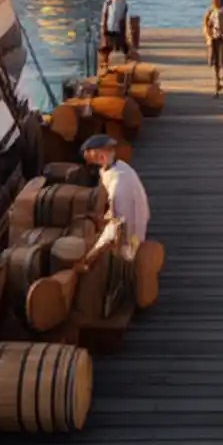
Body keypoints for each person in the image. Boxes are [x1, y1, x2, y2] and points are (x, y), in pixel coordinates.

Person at [79, 134, 150, 314]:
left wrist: (92, 255)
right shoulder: (119, 167)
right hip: (125, 221)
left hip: (130, 237)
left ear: (102, 156)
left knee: (106, 264)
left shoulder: (120, 183)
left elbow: (119, 228)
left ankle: (116, 293)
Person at [203, 0, 223, 96]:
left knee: (222, 59)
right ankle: (217, 82)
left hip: (222, 39)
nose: (214, 3)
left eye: (217, 1)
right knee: (214, 60)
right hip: (213, 38)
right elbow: (206, 23)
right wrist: (208, 35)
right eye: (214, 1)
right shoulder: (210, 12)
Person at [99, 0, 129, 67]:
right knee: (107, 46)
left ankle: (123, 59)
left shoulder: (124, 4)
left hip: (118, 28)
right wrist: (103, 28)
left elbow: (123, 18)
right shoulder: (108, 2)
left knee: (120, 45)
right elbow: (105, 16)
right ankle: (105, 61)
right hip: (109, 27)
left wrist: (123, 31)